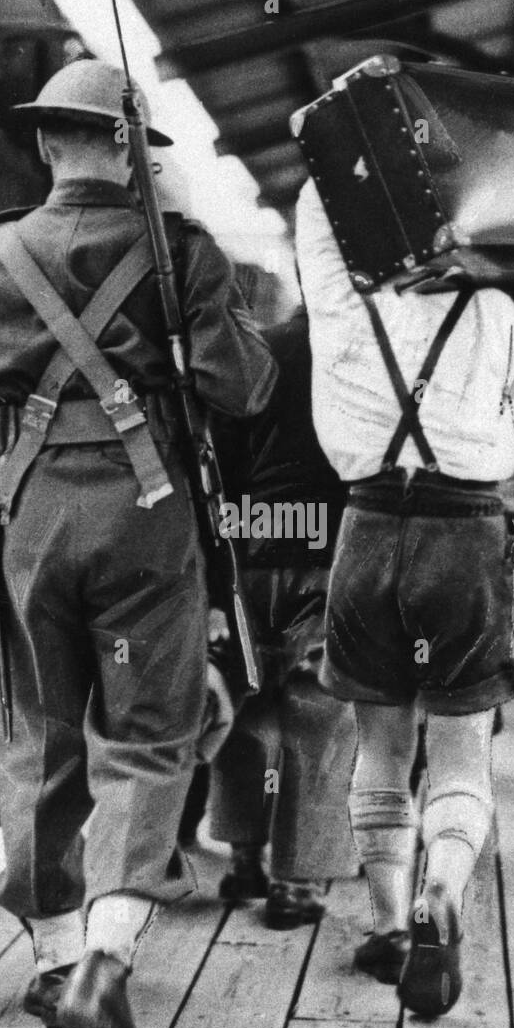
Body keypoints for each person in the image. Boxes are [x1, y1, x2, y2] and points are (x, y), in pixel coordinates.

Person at [0, 59, 275, 1028]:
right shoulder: (181, 255)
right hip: (148, 519)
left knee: (37, 732)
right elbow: (240, 388)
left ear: (42, 142)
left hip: (24, 519)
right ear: (129, 148)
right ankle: (110, 959)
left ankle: (52, 955)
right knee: (150, 736)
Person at [296, 176, 514, 1018]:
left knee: (381, 742)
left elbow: (317, 214)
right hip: (464, 535)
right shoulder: (497, 314)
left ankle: (390, 921)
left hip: (367, 533)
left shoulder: (339, 302)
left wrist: (355, 140)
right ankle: (444, 887)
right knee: (463, 751)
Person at [208, 308, 359, 928]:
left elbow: (221, 461)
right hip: (335, 550)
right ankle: (296, 881)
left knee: (247, 701)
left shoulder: (259, 349)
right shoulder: (366, 351)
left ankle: (244, 854)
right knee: (320, 712)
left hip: (252, 547)